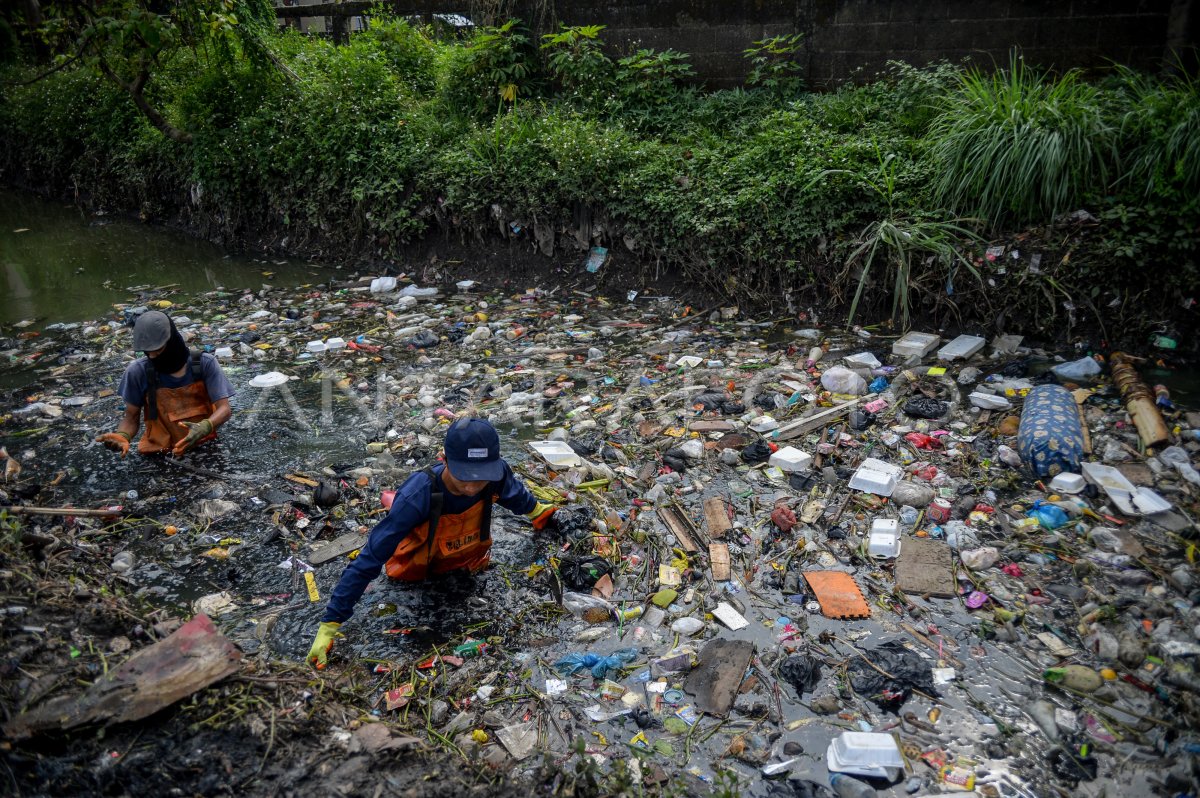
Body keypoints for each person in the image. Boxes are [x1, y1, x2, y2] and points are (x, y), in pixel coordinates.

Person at [307, 418, 558, 669]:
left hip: (467, 567)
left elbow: (515, 496)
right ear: (444, 459)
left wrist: (538, 511)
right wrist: (331, 623)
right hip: (418, 579)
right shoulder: (418, 494)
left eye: (480, 479)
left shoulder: (495, 475)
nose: (472, 487)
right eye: (464, 478)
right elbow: (370, 557)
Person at [95, 311, 234, 457]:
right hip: (159, 453)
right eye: (148, 353)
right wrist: (123, 435)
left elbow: (224, 409)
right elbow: (131, 418)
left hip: (203, 444)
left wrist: (205, 427)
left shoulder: (204, 364)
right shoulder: (137, 372)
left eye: (158, 350)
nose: (153, 357)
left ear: (172, 341)